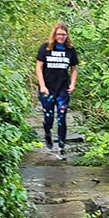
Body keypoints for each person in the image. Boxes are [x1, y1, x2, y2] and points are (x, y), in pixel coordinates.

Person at [36, 21, 78, 160]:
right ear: (54, 34)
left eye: (64, 35)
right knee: (49, 117)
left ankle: (61, 147)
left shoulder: (70, 50)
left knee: (61, 117)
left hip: (63, 90)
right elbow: (38, 67)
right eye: (59, 34)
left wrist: (72, 84)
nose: (61, 37)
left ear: (67, 36)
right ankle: (47, 132)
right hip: (47, 89)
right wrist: (42, 86)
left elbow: (74, 69)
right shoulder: (45, 48)